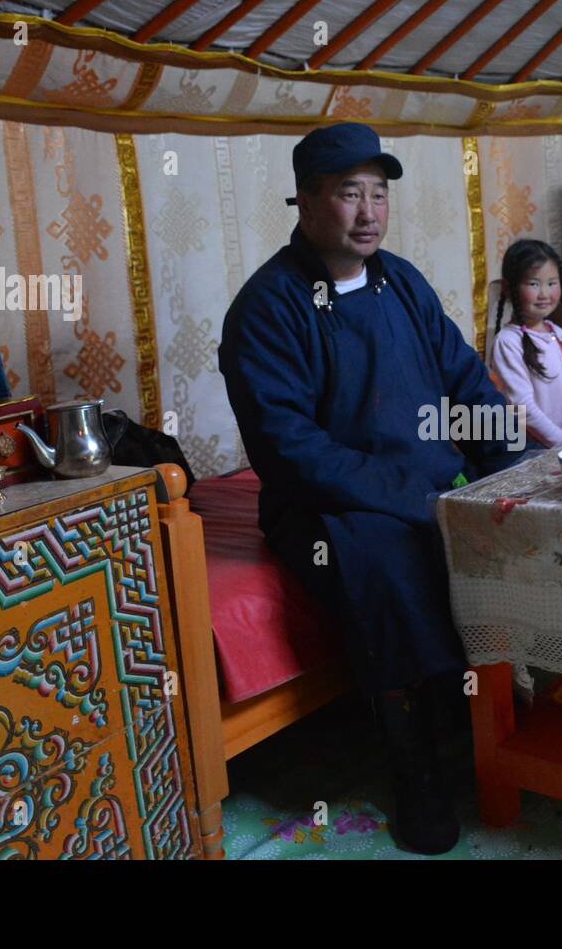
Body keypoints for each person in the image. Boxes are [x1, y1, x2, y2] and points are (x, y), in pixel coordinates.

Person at [218, 122, 521, 855]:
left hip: (424, 483)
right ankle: (414, 768)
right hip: (325, 506)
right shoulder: (268, 307)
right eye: (349, 193)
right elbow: (291, 451)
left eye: (378, 194)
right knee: (388, 558)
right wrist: (411, 500)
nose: (368, 213)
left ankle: (497, 721)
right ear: (306, 202)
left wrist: (511, 461)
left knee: (518, 511)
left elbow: (463, 381)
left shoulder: (402, 281)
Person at [489, 239, 562, 448]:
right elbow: (523, 409)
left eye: (551, 283)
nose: (544, 294)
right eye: (533, 284)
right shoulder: (508, 342)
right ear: (508, 288)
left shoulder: (557, 333)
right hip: (541, 451)